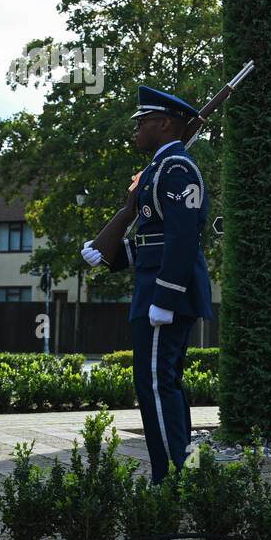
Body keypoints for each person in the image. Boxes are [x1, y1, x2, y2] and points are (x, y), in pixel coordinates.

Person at [81, 86, 212, 483]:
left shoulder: (176, 169)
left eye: (143, 122)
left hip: (164, 296)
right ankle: (179, 470)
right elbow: (153, 242)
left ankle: (170, 475)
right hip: (154, 291)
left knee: (157, 384)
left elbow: (183, 237)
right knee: (162, 383)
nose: (136, 129)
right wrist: (112, 255)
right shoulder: (159, 170)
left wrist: (166, 297)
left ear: (165, 123)